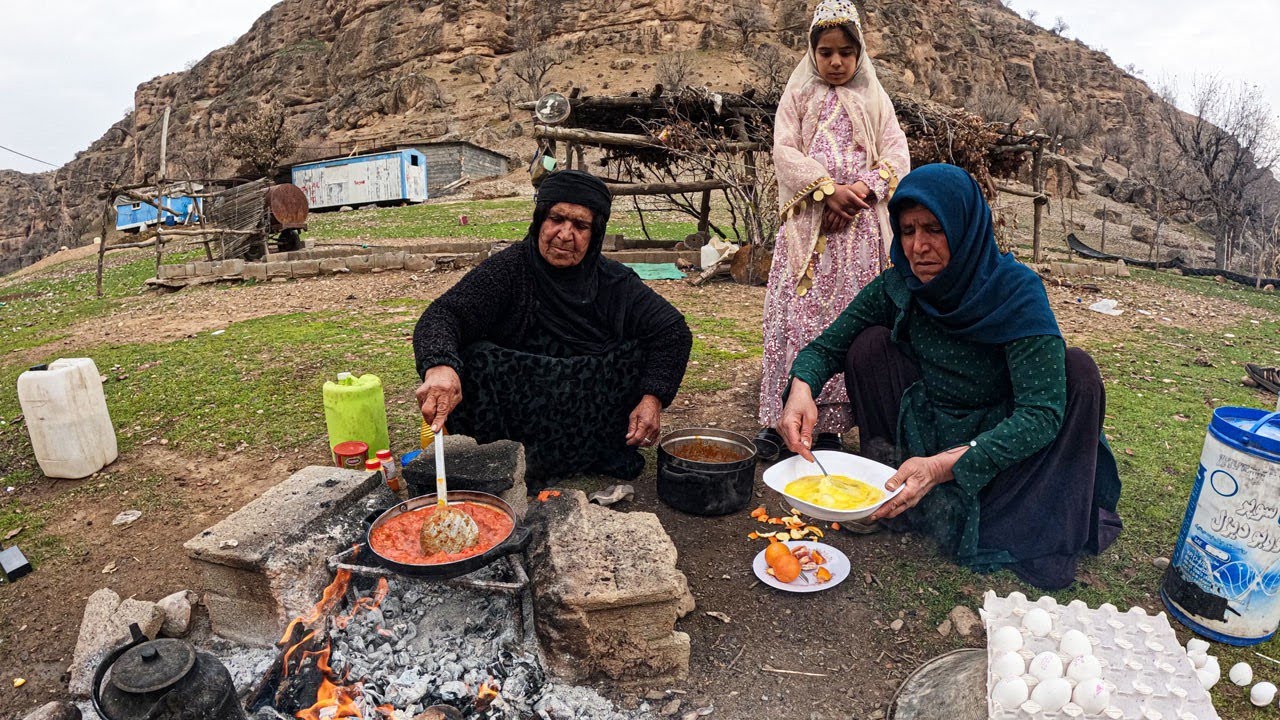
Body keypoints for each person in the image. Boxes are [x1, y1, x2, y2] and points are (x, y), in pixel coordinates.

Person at [778, 163, 1122, 590]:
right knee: (870, 344)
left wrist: (942, 467)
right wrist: (801, 388)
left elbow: (1039, 415)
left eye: (934, 229)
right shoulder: (900, 285)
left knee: (1079, 372)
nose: (918, 246)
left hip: (1003, 446)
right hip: (930, 428)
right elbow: (827, 346)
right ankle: (894, 497)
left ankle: (1030, 529)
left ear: (965, 228)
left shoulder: (1016, 293)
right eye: (907, 231)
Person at [413, 170, 693, 484]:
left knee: (638, 348)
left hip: (592, 423)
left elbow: (672, 331)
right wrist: (439, 365)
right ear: (539, 220)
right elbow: (444, 314)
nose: (564, 234)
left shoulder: (615, 282)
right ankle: (506, 462)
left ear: (595, 233)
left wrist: (653, 398)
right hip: (519, 422)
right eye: (556, 218)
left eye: (580, 225)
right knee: (474, 357)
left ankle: (583, 457)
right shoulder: (509, 270)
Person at [756, 0, 911, 461]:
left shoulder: (875, 99)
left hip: (859, 235)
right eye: (826, 52)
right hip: (808, 235)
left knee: (843, 324)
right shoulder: (799, 95)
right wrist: (826, 191)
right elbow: (784, 151)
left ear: (859, 51)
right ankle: (779, 414)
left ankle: (830, 427)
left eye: (845, 51)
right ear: (813, 52)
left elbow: (897, 156)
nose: (836, 61)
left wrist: (859, 190)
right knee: (794, 320)